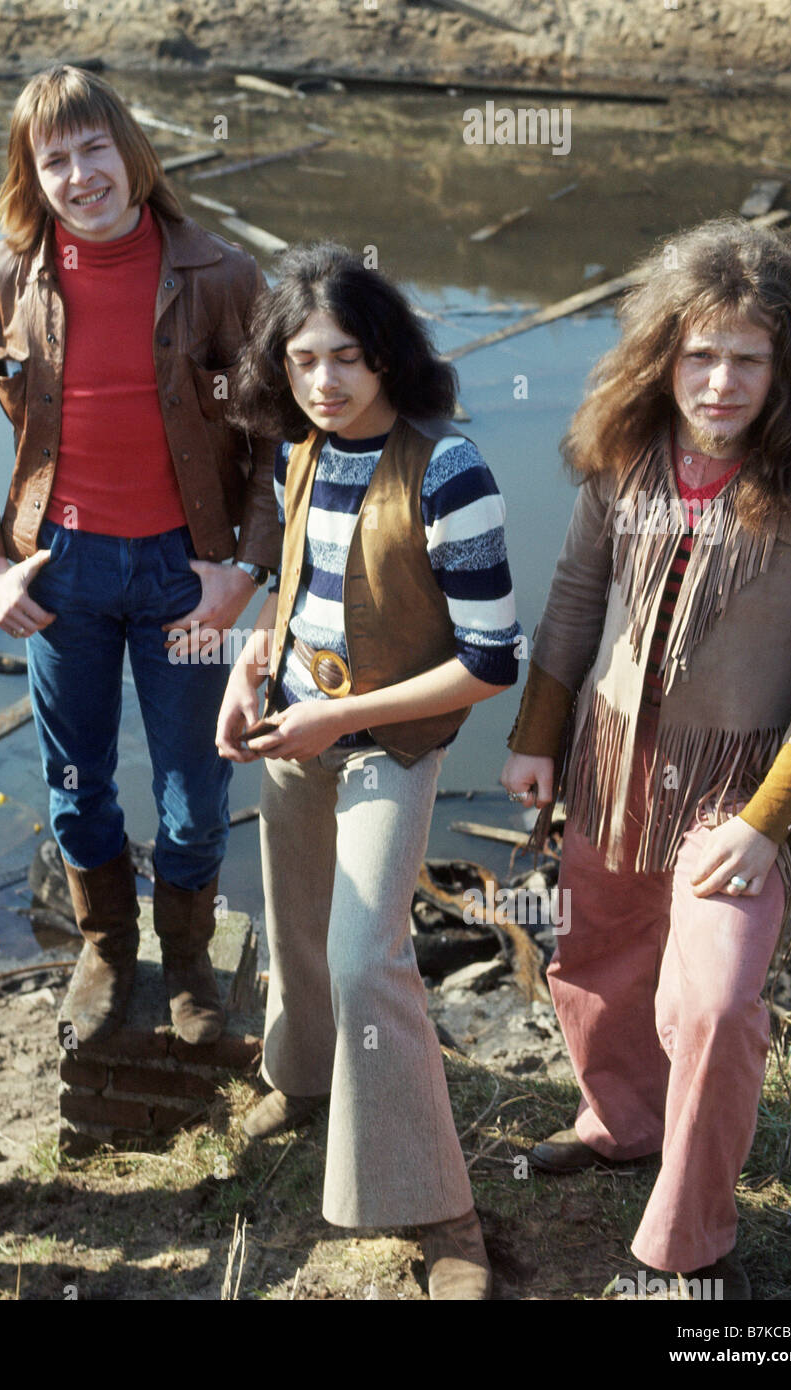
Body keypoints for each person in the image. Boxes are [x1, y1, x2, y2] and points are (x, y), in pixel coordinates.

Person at [501, 218, 791, 1299]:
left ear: (789, 368)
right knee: (594, 967)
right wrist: (533, 737)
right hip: (609, 763)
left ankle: (687, 1250)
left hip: (735, 791)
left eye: (749, 358)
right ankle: (620, 1125)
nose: (720, 381)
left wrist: (762, 822)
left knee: (712, 1002)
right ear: (665, 352)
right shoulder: (623, 452)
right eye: (700, 353)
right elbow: (569, 600)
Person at [0, 64, 280, 1047]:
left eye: (95, 149)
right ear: (30, 176)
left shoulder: (224, 274)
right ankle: (108, 948)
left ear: (131, 153)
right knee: (74, 784)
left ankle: (190, 964)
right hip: (60, 570)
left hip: (188, 572)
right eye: (55, 159)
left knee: (196, 791)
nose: (82, 176)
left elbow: (270, 443)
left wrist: (243, 571)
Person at [217, 244, 522, 1299]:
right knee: (294, 925)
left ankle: (444, 1213)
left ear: (387, 352)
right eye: (303, 361)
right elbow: (293, 591)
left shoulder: (449, 469)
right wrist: (248, 669)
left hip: (387, 745)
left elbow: (489, 662)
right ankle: (301, 1081)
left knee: (364, 960)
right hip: (293, 731)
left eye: (346, 356)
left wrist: (336, 716)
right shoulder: (299, 451)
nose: (325, 382)